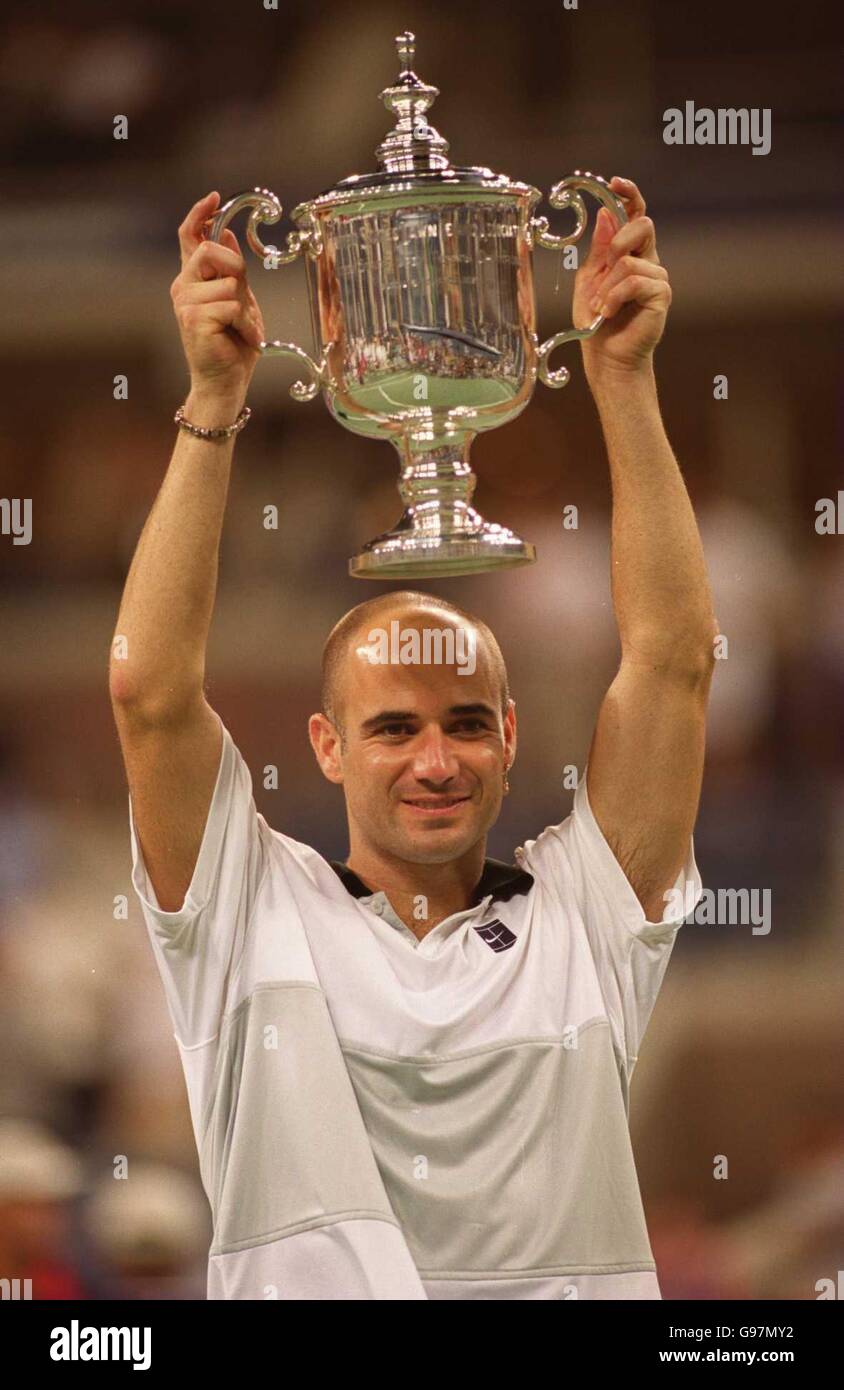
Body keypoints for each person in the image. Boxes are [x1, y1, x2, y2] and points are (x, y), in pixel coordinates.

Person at [110, 178, 716, 1300]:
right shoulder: (248, 914)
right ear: (325, 745)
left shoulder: (582, 915)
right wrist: (213, 399)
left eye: (464, 726)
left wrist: (621, 383)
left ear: (510, 737)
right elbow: (148, 691)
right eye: (392, 728)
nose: (435, 760)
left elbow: (675, 664)